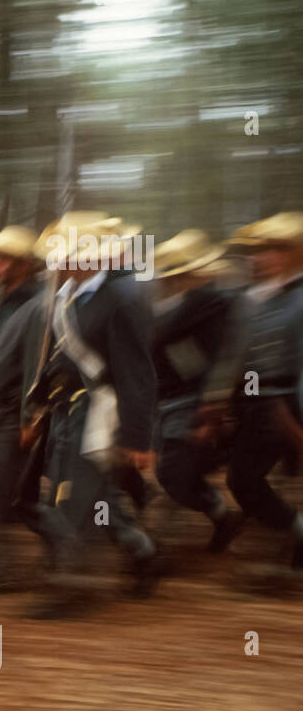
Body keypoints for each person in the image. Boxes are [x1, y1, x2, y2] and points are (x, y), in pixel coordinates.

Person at [26, 212, 160, 611]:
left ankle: (71, 586)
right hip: (66, 410)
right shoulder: (66, 295)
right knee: (97, 497)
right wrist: (38, 406)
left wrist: (138, 438)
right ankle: (145, 554)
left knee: (70, 499)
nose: (61, 263)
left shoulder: (122, 300)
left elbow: (138, 374)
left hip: (99, 412)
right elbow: (56, 358)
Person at [200, 212, 303, 571]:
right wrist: (215, 402)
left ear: (294, 253)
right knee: (242, 478)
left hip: (286, 402)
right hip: (250, 403)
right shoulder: (248, 299)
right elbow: (231, 355)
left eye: (271, 250)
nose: (258, 258)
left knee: (243, 479)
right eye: (256, 250)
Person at [0, 225, 67, 571]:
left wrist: (31, 416)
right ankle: (53, 552)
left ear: (24, 265)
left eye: (1, 260)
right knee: (10, 494)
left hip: (15, 415)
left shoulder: (39, 307)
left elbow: (34, 369)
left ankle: (62, 549)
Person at [148, 229, 242, 552]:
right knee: (172, 472)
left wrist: (213, 410)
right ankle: (220, 515)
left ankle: (220, 515)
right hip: (171, 401)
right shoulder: (176, 305)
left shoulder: (208, 305)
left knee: (173, 472)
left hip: (195, 402)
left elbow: (222, 360)